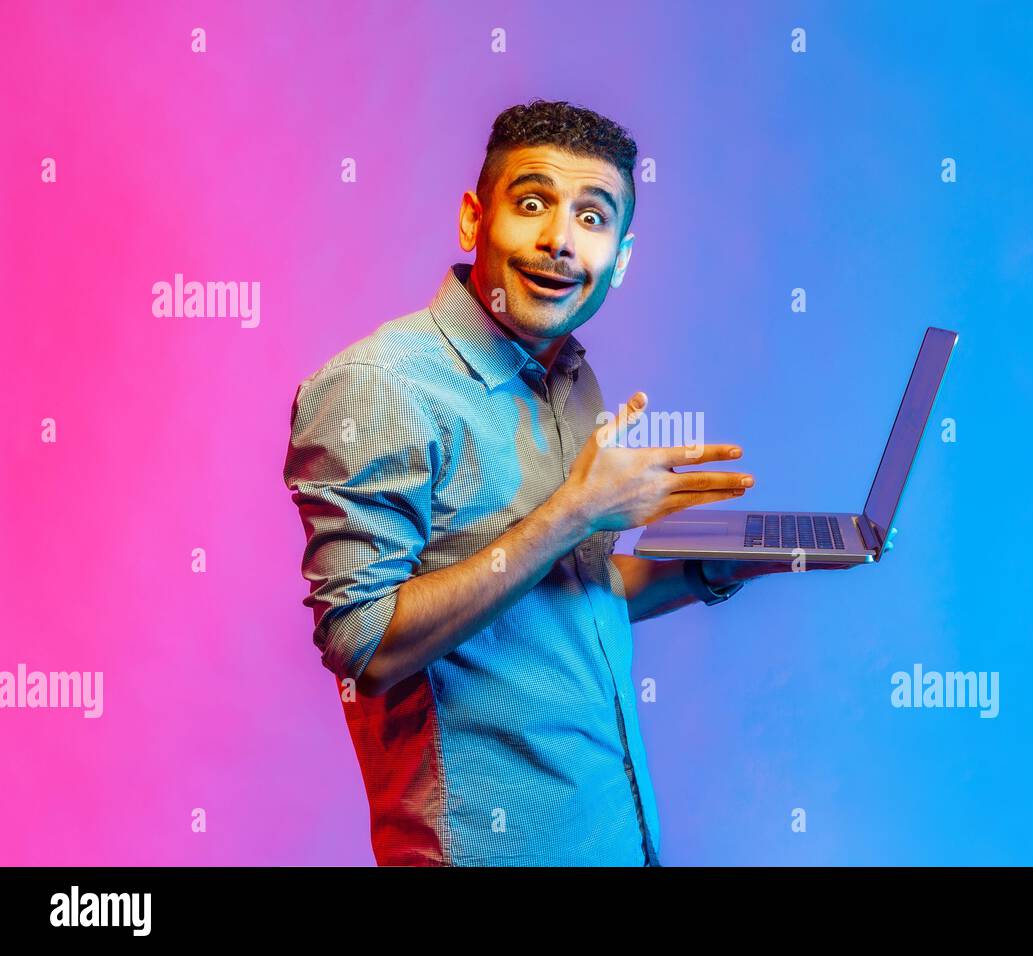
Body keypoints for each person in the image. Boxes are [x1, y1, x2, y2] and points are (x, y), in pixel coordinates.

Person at [282, 99, 854, 866]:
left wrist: (714, 568)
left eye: (592, 217)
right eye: (532, 204)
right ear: (472, 220)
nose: (559, 239)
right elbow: (365, 644)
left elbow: (569, 593)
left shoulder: (566, 380)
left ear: (620, 256)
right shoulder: (378, 385)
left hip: (617, 841)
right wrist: (574, 512)